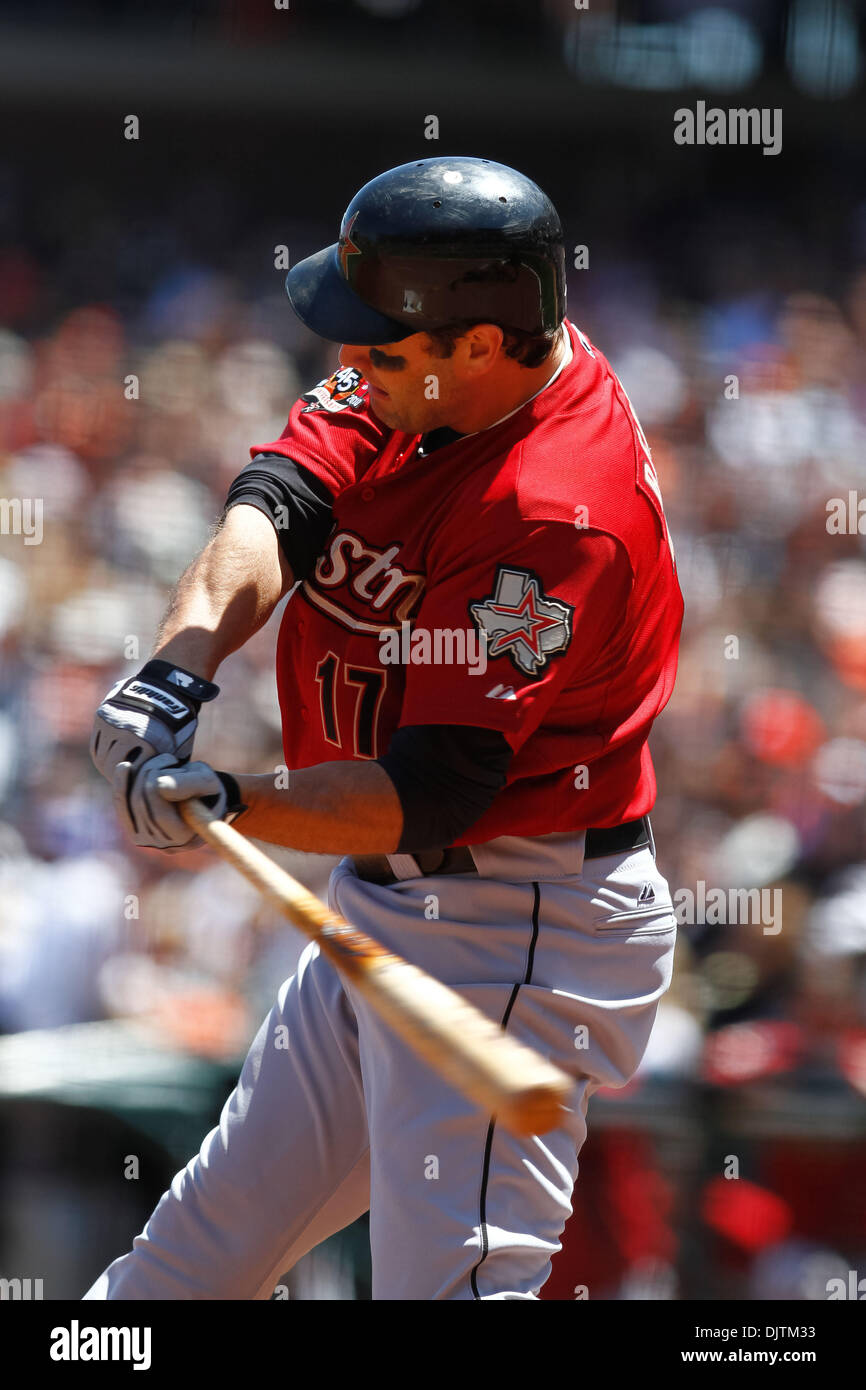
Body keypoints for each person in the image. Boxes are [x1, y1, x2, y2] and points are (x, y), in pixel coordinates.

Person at [86, 156, 683, 1300]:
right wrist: (172, 675)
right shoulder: (429, 375)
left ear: (477, 345)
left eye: (379, 346)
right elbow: (279, 508)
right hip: (391, 899)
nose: (347, 365)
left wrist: (232, 801)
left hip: (514, 922)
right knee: (173, 1284)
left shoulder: (556, 507)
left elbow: (431, 789)